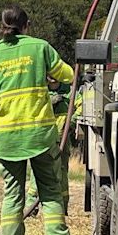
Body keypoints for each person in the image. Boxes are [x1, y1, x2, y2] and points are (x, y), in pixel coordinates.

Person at [0, 5, 76, 235]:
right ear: (26, 25)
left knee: (12, 196)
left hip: (8, 138)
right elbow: (68, 74)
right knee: (50, 192)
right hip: (40, 135)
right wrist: (45, 79)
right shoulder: (39, 47)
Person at [24, 77, 83, 214]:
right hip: (43, 138)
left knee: (61, 172)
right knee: (37, 171)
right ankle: (31, 206)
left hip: (62, 139)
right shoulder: (40, 89)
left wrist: (72, 122)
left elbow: (81, 105)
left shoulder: (69, 91)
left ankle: (62, 207)